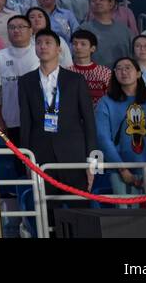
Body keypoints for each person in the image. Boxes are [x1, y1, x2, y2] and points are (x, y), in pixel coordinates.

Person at [17, 30, 97, 229]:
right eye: (39, 43)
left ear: (58, 49)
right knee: (48, 216)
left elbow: (88, 121)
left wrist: (93, 162)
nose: (43, 46)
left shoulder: (75, 80)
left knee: (81, 214)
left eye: (48, 42)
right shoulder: (26, 81)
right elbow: (25, 122)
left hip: (74, 155)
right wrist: (26, 159)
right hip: (41, 155)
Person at [95, 57, 146, 197]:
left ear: (138, 73)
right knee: (125, 215)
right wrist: (122, 170)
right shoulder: (105, 103)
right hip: (120, 173)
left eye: (128, 68)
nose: (123, 72)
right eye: (118, 69)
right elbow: (103, 138)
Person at [77, 0, 133, 69]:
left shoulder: (125, 30)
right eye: (93, 0)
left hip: (122, 76)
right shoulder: (83, 29)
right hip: (94, 78)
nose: (97, 2)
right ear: (89, 6)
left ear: (110, 4)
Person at [69, 30, 111, 105]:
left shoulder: (104, 72)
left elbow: (110, 99)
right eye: (74, 44)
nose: (78, 47)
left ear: (93, 48)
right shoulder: (66, 72)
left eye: (83, 44)